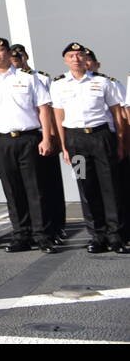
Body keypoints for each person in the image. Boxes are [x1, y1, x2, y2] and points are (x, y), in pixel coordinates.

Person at [0, 37, 58, 253]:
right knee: (12, 190)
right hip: (1, 141)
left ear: (8, 53)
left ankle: (42, 236)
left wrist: (46, 138)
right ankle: (21, 235)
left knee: (35, 188)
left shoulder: (28, 79)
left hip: (28, 138)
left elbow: (44, 108)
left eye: (0, 50)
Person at [51, 42, 127, 253]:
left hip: (101, 138)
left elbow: (117, 114)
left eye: (79, 55)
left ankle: (116, 236)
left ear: (86, 59)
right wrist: (64, 145)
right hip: (76, 141)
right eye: (71, 56)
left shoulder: (103, 82)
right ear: (65, 60)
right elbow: (59, 117)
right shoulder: (58, 85)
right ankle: (97, 236)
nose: (76, 59)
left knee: (110, 187)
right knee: (86, 187)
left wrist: (120, 143)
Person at [12, 44, 65, 243]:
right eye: (13, 56)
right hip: (26, 138)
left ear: (26, 56)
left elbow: (51, 110)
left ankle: (57, 225)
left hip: (43, 135)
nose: (16, 59)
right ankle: (32, 228)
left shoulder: (41, 77)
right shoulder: (7, 80)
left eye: (20, 55)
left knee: (49, 184)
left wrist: (53, 137)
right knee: (28, 186)